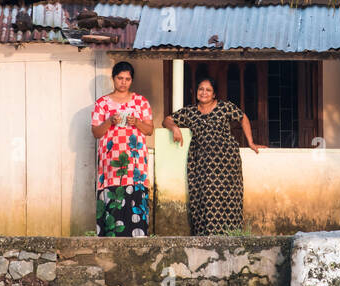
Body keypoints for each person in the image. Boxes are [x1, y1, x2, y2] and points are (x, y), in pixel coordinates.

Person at [163, 75, 265, 234]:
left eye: (208, 90)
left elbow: (242, 117)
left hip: (226, 160)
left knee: (228, 196)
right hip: (201, 162)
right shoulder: (190, 111)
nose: (204, 93)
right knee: (204, 197)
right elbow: (167, 120)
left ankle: (230, 235)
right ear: (196, 91)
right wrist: (175, 128)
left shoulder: (225, 107)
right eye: (201, 89)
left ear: (214, 94)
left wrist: (250, 142)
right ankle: (207, 235)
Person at [91, 61, 154, 236]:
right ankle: (110, 238)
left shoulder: (141, 102)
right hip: (111, 163)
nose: (123, 82)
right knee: (112, 196)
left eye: (127, 79)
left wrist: (138, 122)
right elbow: (96, 132)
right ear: (113, 79)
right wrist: (109, 121)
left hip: (135, 163)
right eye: (120, 78)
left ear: (131, 80)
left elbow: (149, 129)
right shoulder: (102, 103)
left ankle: (137, 240)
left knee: (135, 195)